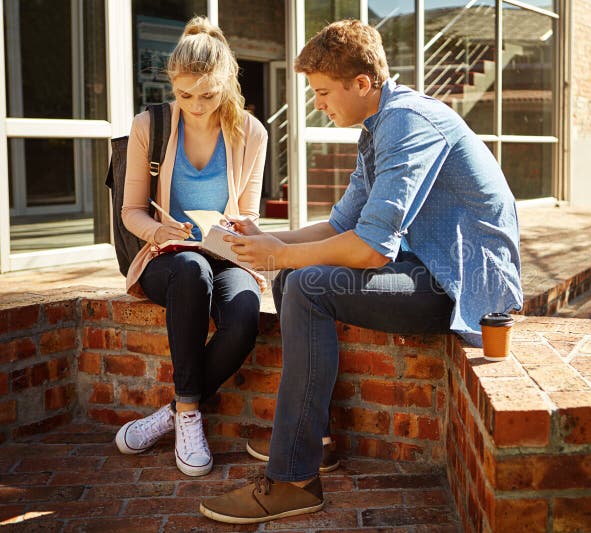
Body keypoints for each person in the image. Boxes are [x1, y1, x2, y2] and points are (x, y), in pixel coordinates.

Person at [199, 19, 522, 523]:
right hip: (425, 266)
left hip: (460, 285)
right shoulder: (378, 126)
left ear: (362, 83)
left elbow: (370, 249)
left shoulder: (407, 123)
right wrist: (264, 241)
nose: (318, 104)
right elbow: (341, 225)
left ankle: (293, 479)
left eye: (324, 92)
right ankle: (316, 440)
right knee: (293, 277)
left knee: (303, 282)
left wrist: (280, 256)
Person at [113, 16, 268, 477]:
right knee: (191, 272)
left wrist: (235, 226)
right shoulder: (150, 125)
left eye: (208, 95)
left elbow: (251, 217)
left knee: (242, 315)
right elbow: (131, 212)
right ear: (172, 87)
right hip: (169, 258)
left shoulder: (251, 133)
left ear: (227, 84)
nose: (196, 107)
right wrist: (164, 233)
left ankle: (172, 412)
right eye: (185, 95)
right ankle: (189, 416)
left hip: (224, 253)